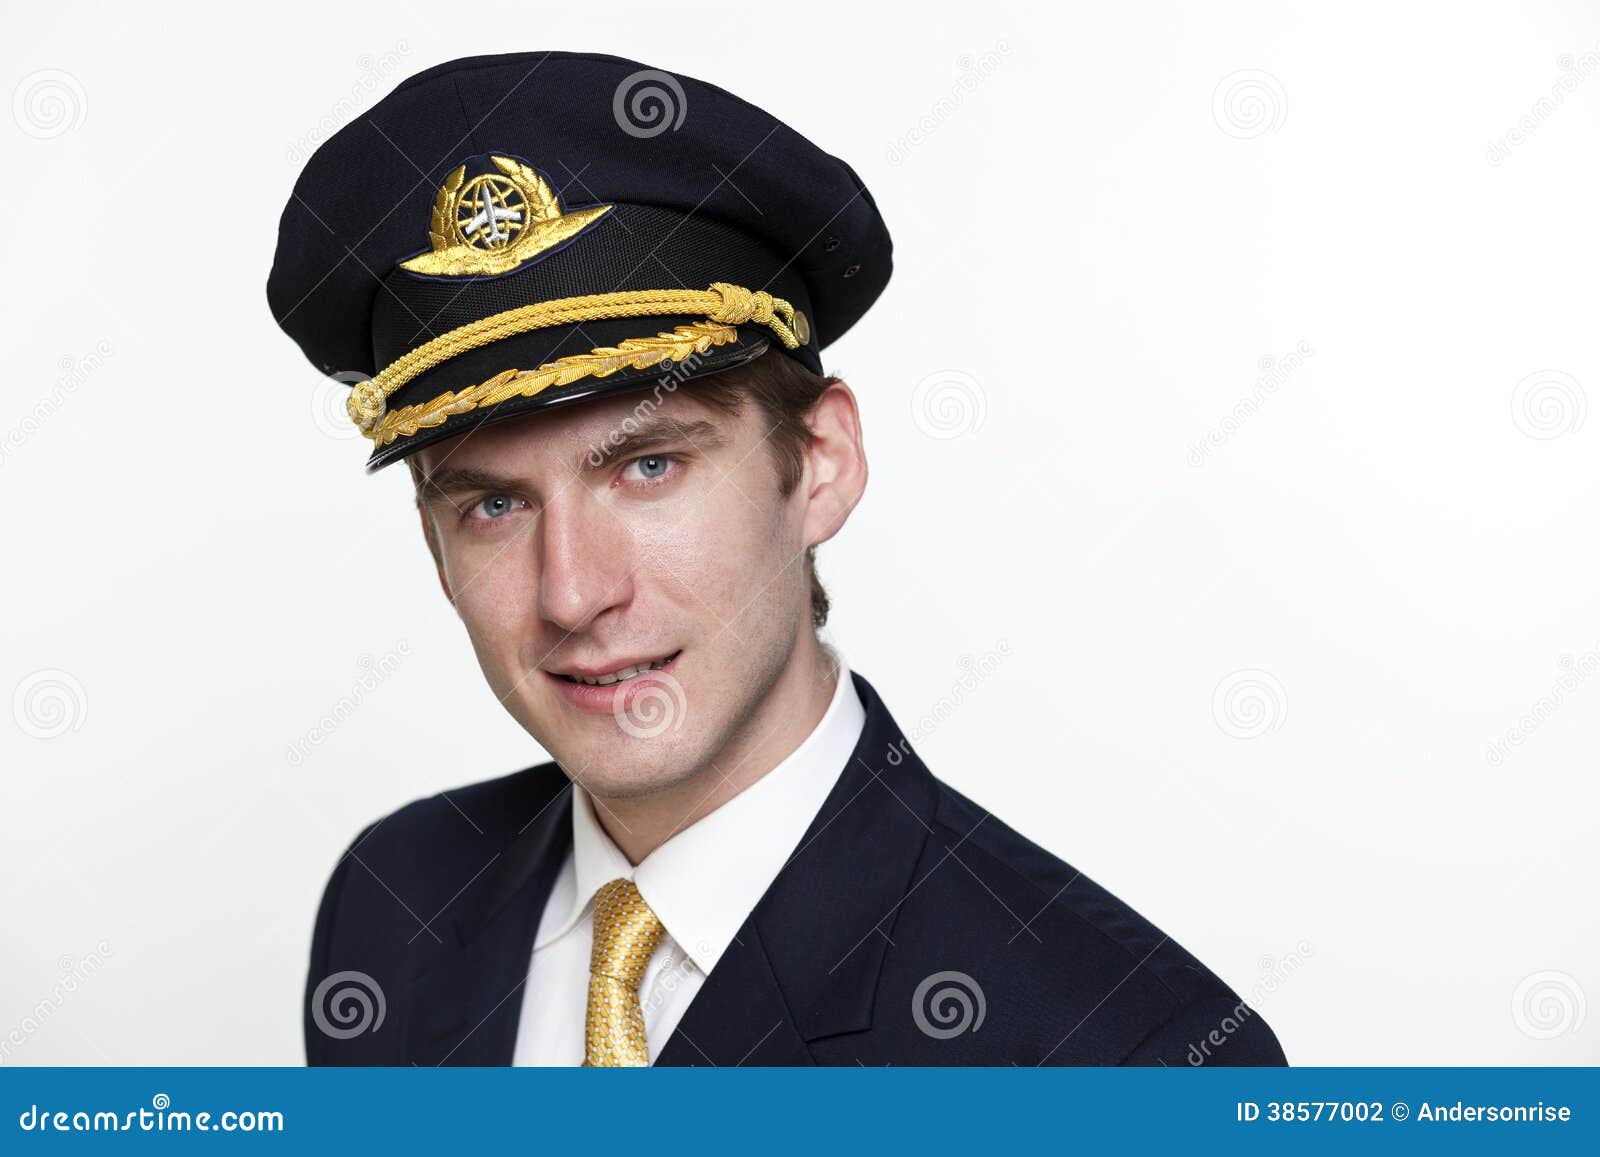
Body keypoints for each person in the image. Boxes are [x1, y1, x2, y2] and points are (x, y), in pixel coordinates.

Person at [268, 50, 1286, 1067]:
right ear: (434, 547)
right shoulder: (391, 909)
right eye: (493, 503)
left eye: (649, 464)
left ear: (821, 464)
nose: (573, 591)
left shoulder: (1124, 1054)